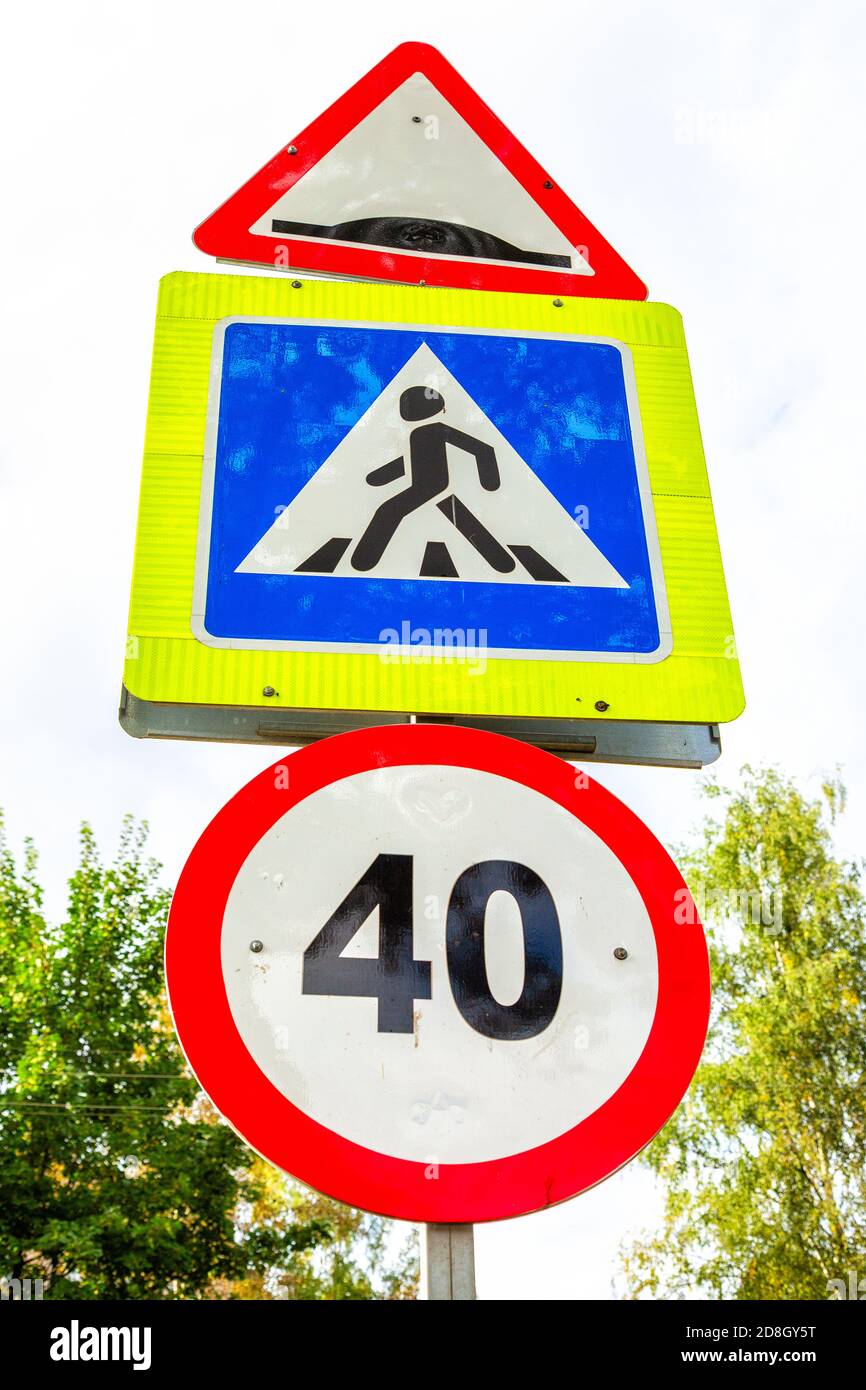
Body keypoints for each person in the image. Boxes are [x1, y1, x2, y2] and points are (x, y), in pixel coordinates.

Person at [350, 386, 514, 574]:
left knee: (388, 511)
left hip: (431, 485)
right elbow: (411, 461)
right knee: (463, 520)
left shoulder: (438, 430)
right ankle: (502, 563)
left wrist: (490, 481)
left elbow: (481, 449)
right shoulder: (418, 433)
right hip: (426, 485)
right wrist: (380, 477)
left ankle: (363, 562)